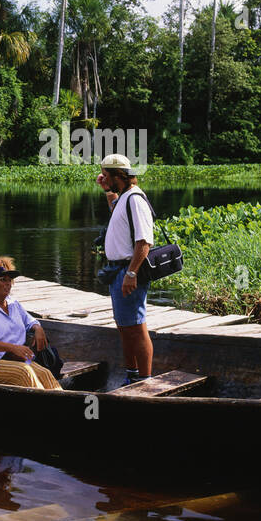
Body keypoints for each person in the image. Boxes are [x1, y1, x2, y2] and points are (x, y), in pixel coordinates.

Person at [97, 153, 154, 389]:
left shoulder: (135, 200)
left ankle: (144, 379)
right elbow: (116, 211)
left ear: (118, 176)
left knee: (136, 328)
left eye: (106, 175)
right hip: (118, 272)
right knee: (125, 327)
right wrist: (106, 191)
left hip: (128, 272)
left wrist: (131, 274)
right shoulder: (124, 198)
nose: (102, 177)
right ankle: (132, 375)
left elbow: (144, 242)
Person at [0, 264, 60, 389]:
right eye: (3, 280)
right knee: (24, 372)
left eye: (9, 280)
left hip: (16, 360)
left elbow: (30, 322)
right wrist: (13, 348)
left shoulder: (14, 304)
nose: (8, 283)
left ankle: (61, 402)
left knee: (45, 373)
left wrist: (38, 328)